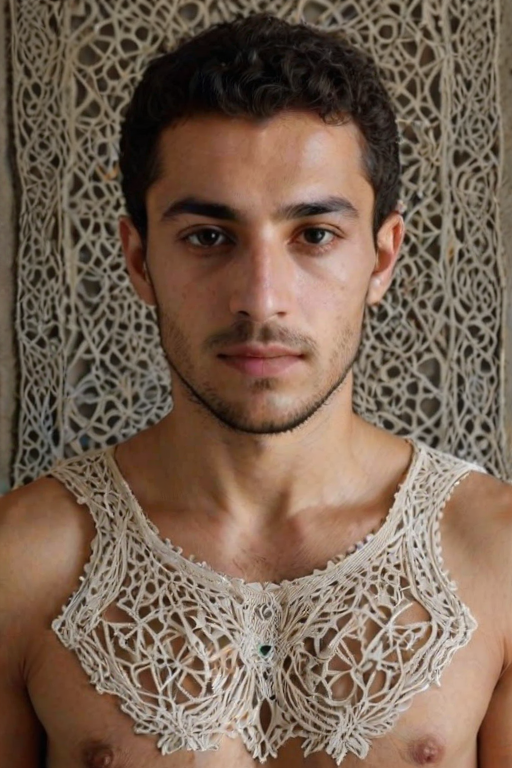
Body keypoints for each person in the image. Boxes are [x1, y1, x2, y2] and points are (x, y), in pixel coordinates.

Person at [1, 11, 511, 768]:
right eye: (209, 236)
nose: (261, 298)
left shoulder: (496, 557)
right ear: (140, 260)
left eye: (313, 236)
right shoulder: (23, 561)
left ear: (381, 258)